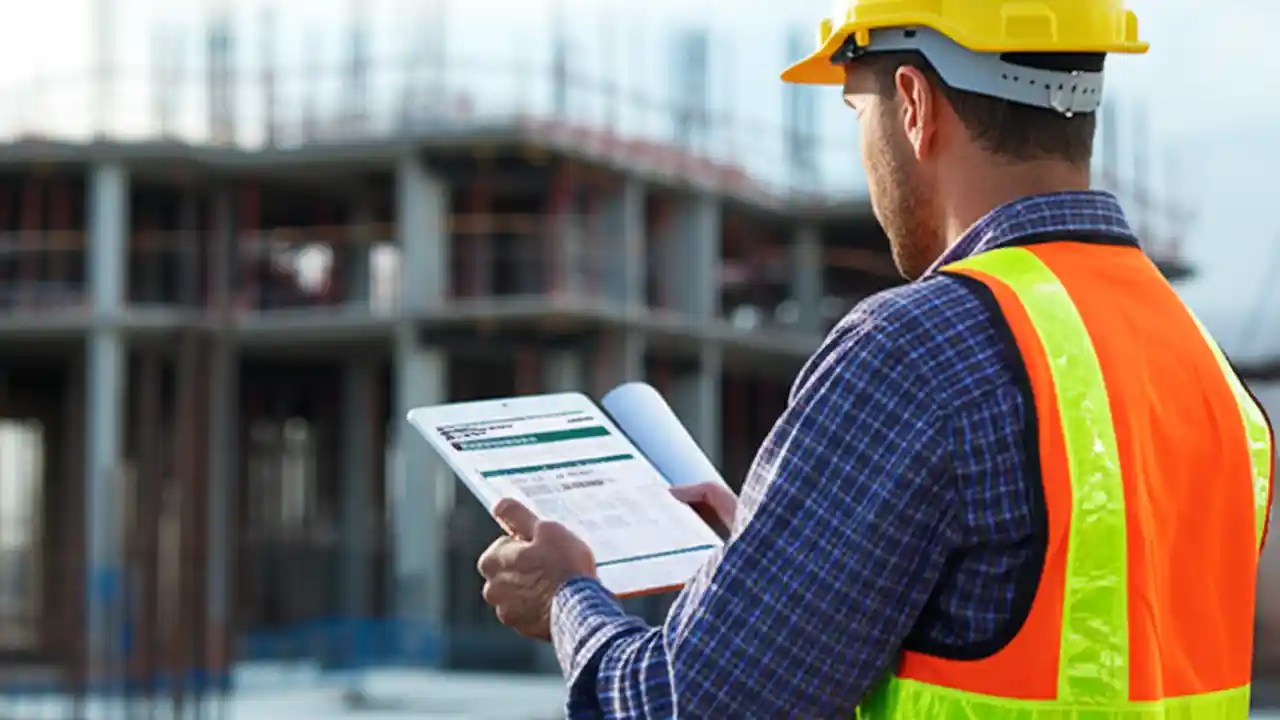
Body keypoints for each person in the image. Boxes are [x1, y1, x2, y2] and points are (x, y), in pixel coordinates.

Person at [476, 1, 1276, 717]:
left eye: (857, 110)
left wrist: (566, 597)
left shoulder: (917, 348)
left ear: (915, 105)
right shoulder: (1207, 369)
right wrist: (767, 556)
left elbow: (690, 703)